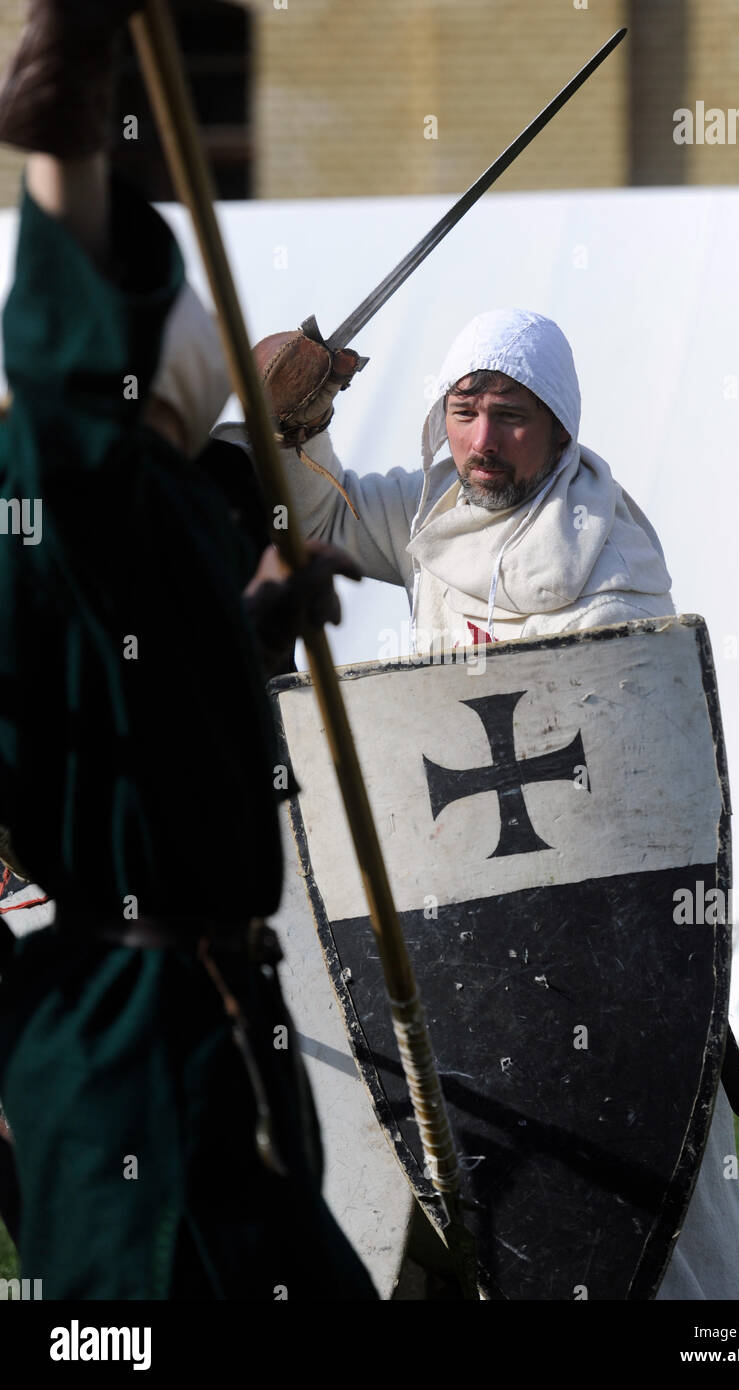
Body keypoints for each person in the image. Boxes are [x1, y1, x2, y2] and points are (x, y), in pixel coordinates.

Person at [222, 307, 739, 1300]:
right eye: (464, 409)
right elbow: (323, 516)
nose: (481, 437)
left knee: (644, 1207)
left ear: (557, 425)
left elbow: (616, 756)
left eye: (508, 413)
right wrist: (291, 426)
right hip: (446, 919)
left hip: (591, 939)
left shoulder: (611, 557)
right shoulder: (432, 512)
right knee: (452, 1184)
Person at [0, 0, 374, 1299]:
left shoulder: (151, 523)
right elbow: (60, 385)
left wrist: (258, 623)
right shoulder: (67, 499)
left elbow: (143, 695)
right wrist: (62, 149)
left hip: (201, 1023)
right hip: (132, 1050)